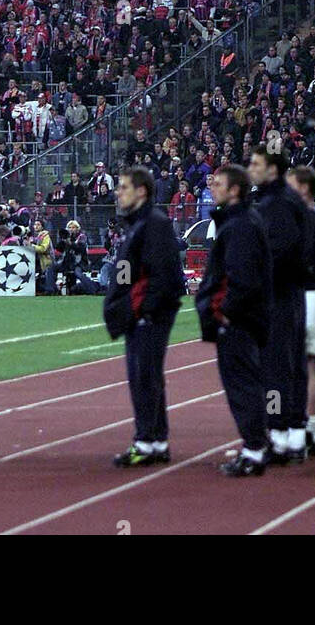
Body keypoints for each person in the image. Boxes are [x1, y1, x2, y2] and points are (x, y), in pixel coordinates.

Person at [105, 167, 186, 468]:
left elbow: (160, 274)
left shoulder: (153, 224)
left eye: (123, 187)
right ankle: (155, 440)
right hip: (141, 313)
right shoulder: (141, 224)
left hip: (148, 315)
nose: (118, 192)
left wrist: (143, 310)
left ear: (141, 192)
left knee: (144, 377)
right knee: (146, 377)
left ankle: (146, 441)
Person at [196, 163, 273, 477]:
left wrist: (224, 311)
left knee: (242, 385)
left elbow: (240, 277)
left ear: (235, 190)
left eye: (219, 183)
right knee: (246, 382)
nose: (212, 187)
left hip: (239, 320)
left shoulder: (239, 225)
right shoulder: (241, 221)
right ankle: (255, 444)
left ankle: (254, 449)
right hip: (245, 317)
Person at [248, 141, 311, 463]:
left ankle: (277, 432)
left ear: (272, 169)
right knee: (290, 366)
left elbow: (278, 251)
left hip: (278, 296)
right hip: (288, 293)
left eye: (256, 164)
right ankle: (292, 434)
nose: (251, 170)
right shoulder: (285, 202)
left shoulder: (276, 205)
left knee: (275, 369)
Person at [287, 165, 315, 449]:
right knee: (308, 363)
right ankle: (310, 423)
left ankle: (302, 423)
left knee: (299, 364)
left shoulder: (306, 219)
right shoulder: (314, 218)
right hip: (312, 294)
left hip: (304, 294)